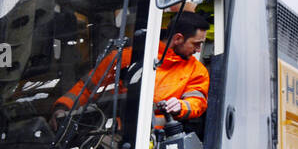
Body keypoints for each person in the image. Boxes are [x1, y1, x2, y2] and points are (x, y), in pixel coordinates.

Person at [51, 9, 211, 129]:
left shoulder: (197, 70)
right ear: (178, 39)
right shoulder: (123, 58)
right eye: (196, 44)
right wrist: (63, 107)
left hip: (154, 144)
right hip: (107, 134)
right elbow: (86, 88)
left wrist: (181, 106)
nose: (198, 50)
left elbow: (197, 101)